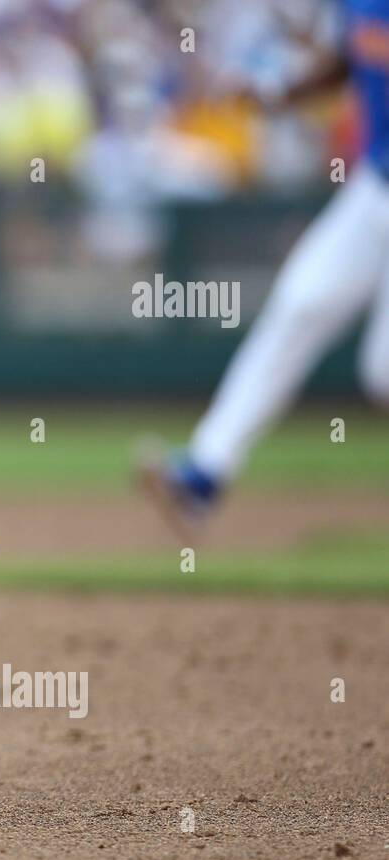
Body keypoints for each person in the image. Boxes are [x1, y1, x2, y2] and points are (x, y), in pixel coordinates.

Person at [143, 0, 389, 530]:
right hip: (375, 186)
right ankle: (203, 474)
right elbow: (349, 56)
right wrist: (278, 94)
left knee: (384, 371)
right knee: (302, 301)